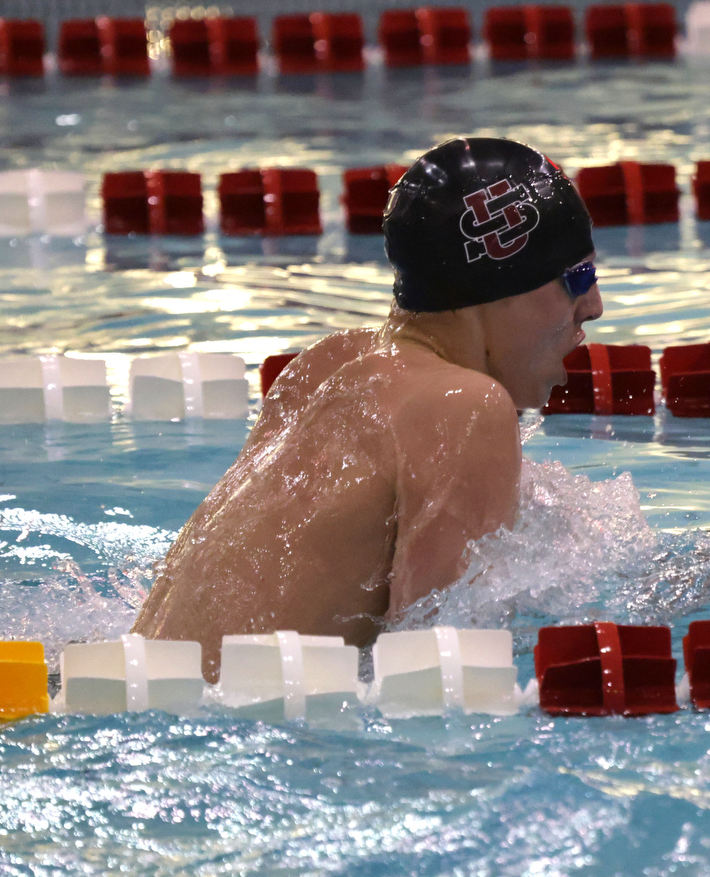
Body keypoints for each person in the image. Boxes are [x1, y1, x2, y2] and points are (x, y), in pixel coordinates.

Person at [133, 137, 603, 678]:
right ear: (499, 288)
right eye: (578, 278)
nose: (593, 307)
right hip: (228, 725)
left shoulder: (325, 365)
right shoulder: (467, 406)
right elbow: (436, 669)